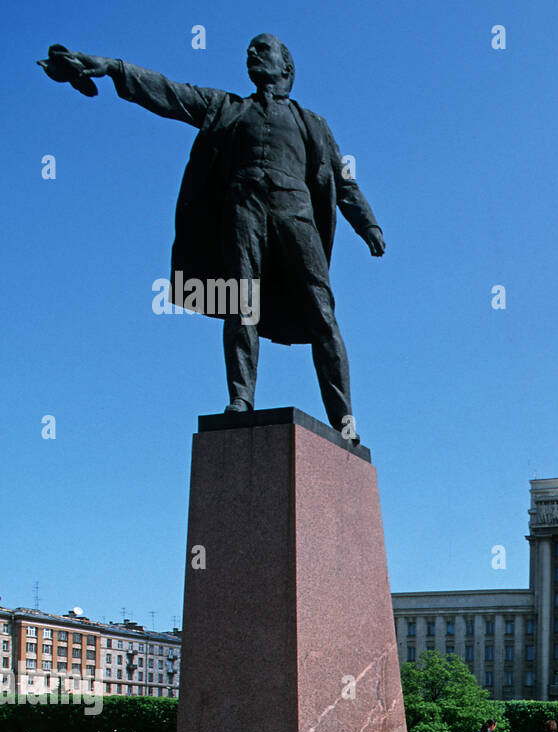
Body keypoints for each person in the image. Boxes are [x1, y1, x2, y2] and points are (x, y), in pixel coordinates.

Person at [40, 36, 385, 442]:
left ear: (287, 69)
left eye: (262, 49)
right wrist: (114, 68)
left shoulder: (313, 124)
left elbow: (345, 182)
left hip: (297, 214)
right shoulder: (227, 108)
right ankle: (241, 399)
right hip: (243, 210)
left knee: (322, 315)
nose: (251, 54)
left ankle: (343, 419)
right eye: (249, 50)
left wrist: (368, 225)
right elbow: (169, 93)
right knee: (241, 304)